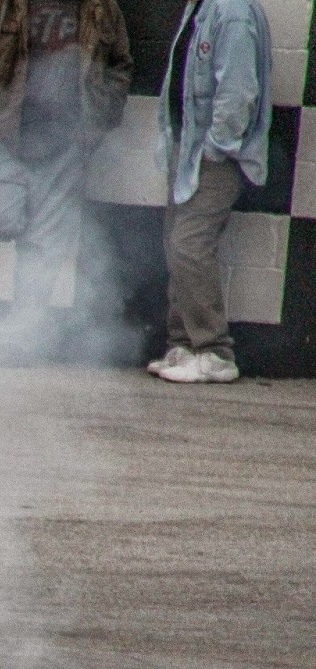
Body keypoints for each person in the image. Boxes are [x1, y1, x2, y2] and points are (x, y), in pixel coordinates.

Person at [0, 0, 133, 351]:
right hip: (4, 137)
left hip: (65, 144)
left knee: (44, 247)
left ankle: (23, 335)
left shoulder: (101, 5)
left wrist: (93, 131)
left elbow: (120, 65)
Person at [148, 0, 271, 385]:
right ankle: (183, 343)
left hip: (212, 156)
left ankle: (214, 351)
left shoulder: (232, 10)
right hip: (190, 151)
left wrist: (217, 148)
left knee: (190, 245)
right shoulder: (201, 6)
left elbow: (238, 90)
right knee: (177, 244)